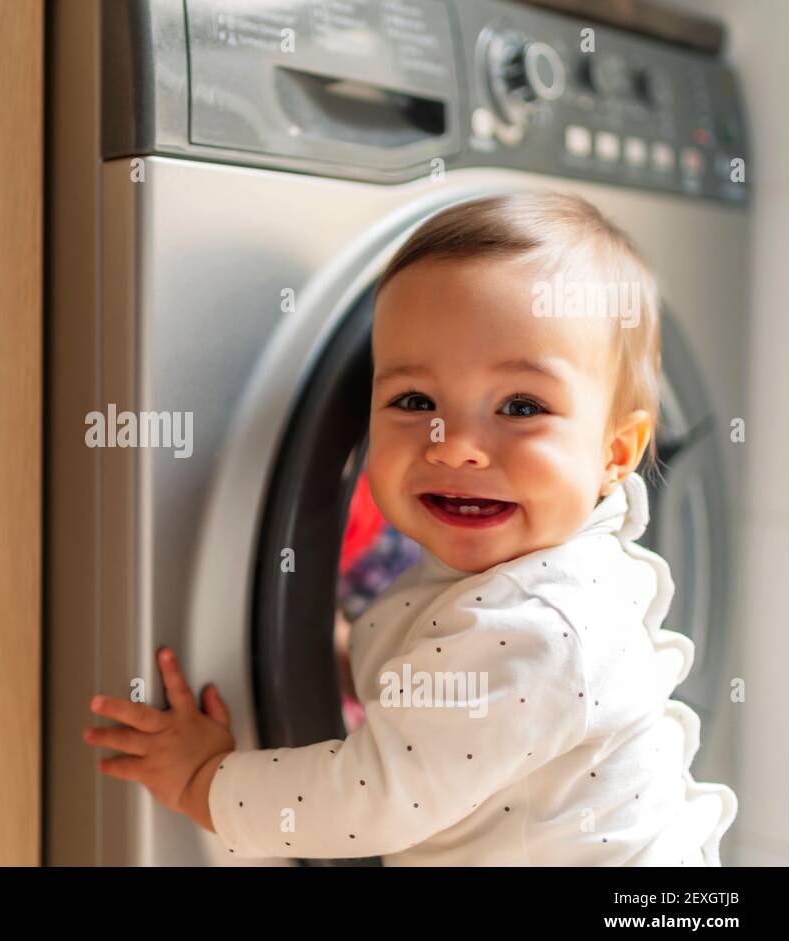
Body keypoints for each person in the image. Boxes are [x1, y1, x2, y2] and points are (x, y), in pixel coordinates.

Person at [84, 192, 737, 865]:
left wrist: (203, 784)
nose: (454, 445)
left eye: (520, 406)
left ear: (615, 454)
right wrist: (345, 656)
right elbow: (448, 701)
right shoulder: (524, 579)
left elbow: (378, 798)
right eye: (416, 401)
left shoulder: (544, 627)